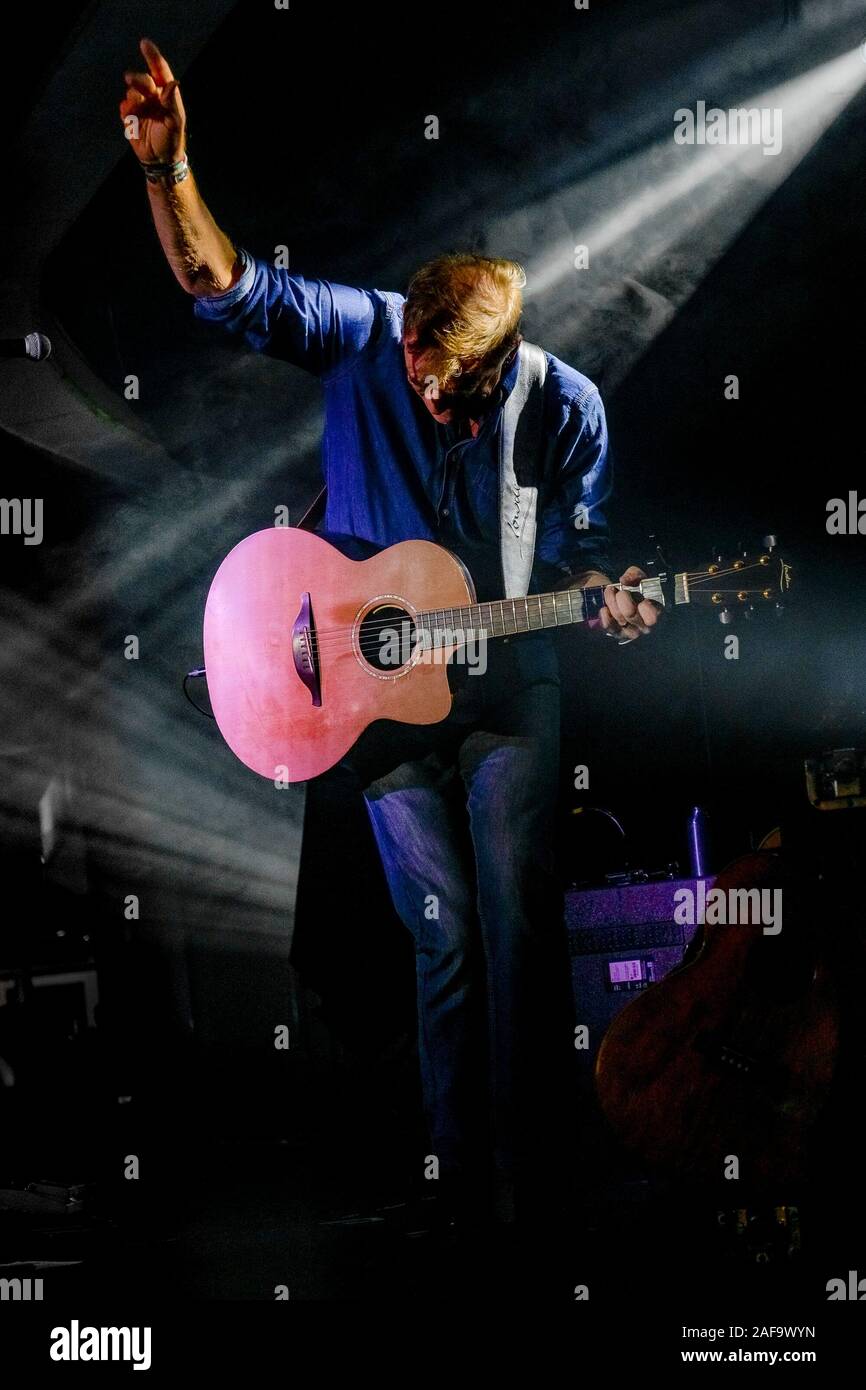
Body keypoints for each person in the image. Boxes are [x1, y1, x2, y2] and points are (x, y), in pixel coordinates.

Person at [120, 39, 661, 1234]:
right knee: (444, 940)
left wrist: (608, 599)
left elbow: (581, 554)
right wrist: (170, 173)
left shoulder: (565, 407)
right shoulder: (368, 333)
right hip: (369, 694)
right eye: (413, 372)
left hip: (506, 682)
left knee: (520, 924)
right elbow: (227, 287)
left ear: (500, 356)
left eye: (447, 386)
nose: (425, 397)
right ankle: (459, 1188)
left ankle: (540, 1193)